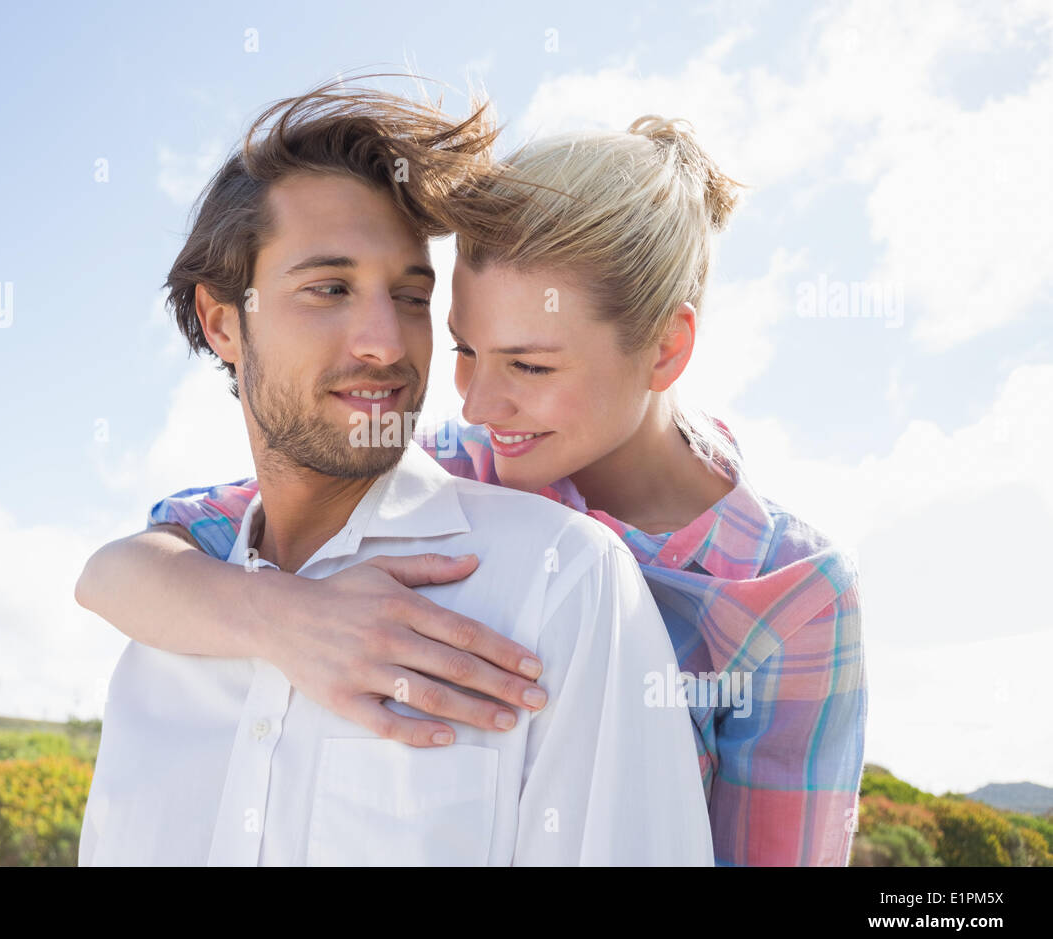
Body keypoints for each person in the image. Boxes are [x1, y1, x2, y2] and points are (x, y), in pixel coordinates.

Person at [79, 102, 866, 868]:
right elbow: (142, 556)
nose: (478, 402)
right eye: (463, 349)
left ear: (665, 350)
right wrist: (284, 617)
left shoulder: (788, 591)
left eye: (530, 364)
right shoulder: (464, 463)